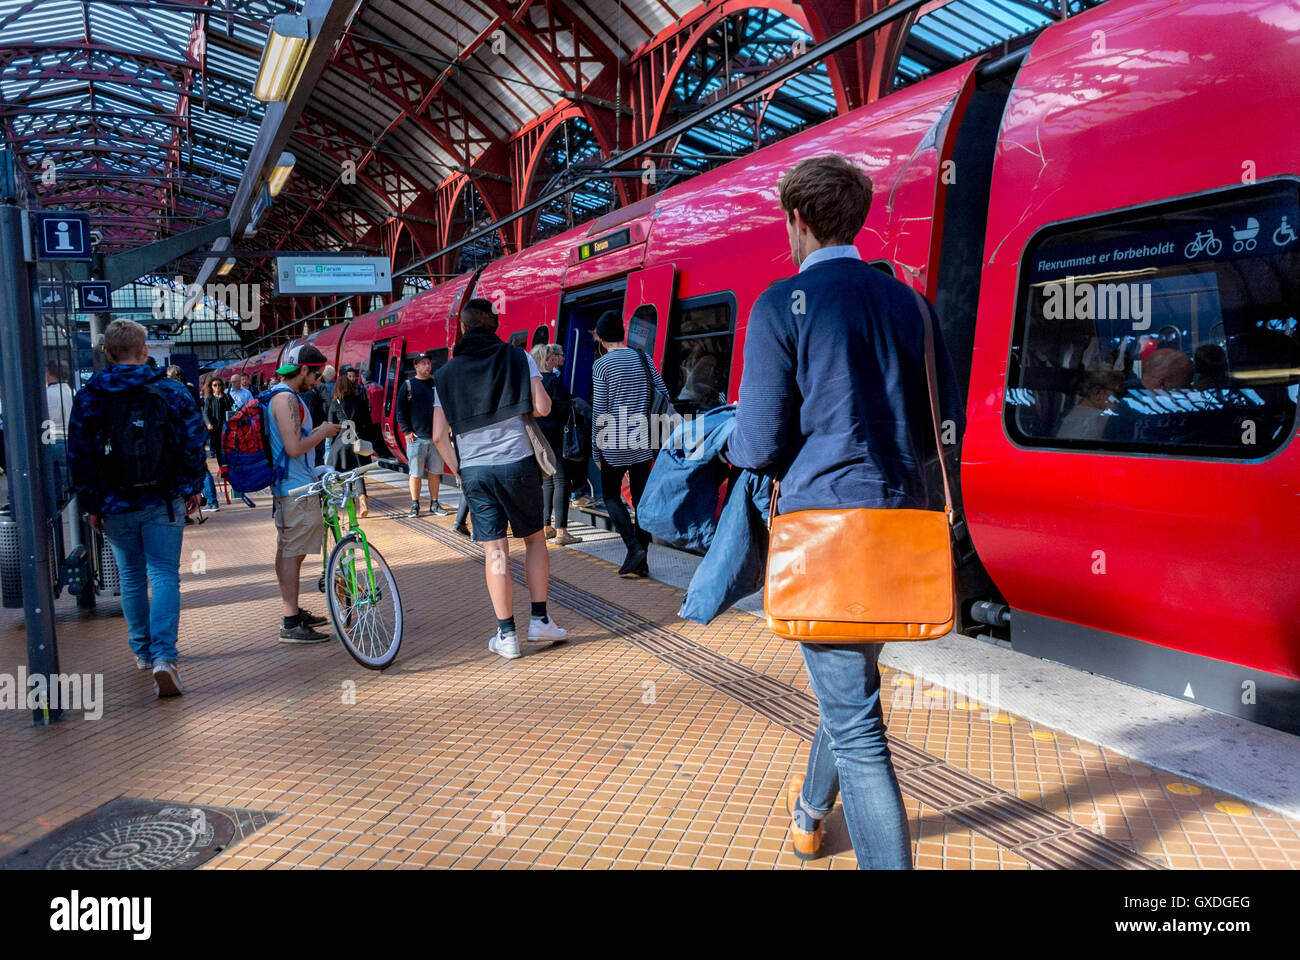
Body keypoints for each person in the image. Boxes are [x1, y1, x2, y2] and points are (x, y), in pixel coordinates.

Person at [725, 154, 963, 869]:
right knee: (852, 689)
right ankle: (807, 820)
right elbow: (942, 423)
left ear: (797, 220)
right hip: (897, 528)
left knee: (859, 729)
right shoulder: (909, 304)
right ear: (857, 218)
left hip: (824, 535)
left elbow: (759, 444)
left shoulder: (780, 305)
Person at [66, 319, 207, 698]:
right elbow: (195, 441)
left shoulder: (90, 396)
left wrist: (92, 504)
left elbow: (79, 456)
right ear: (144, 351)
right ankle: (164, 657)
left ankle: (143, 653)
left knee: (131, 577)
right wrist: (192, 486)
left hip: (114, 502)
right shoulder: (170, 390)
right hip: (163, 498)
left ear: (108, 353)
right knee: (163, 575)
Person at [430, 298, 567, 660]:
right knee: (535, 541)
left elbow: (439, 436)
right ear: (494, 324)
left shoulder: (443, 375)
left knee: (495, 550)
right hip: (517, 464)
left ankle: (506, 635)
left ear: (462, 328)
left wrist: (461, 470)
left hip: (475, 470)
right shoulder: (517, 357)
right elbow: (542, 408)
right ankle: (539, 620)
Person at [267, 344, 343, 643]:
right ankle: (290, 623)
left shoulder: (285, 396)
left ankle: (294, 611)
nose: (318, 381)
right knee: (292, 554)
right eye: (314, 374)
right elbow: (294, 447)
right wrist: (322, 432)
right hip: (294, 490)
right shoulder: (285, 399)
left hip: (293, 486)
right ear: (302, 370)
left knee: (289, 552)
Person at [590, 311, 670, 577]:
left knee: (611, 495)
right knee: (640, 499)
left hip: (613, 439)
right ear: (622, 335)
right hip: (643, 438)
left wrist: (595, 448)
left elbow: (600, 410)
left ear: (601, 337)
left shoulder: (601, 365)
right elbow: (664, 394)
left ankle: (634, 548)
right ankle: (643, 562)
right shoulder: (643, 357)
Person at [531, 344, 582, 546]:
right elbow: (563, 408)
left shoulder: (533, 383)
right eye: (551, 358)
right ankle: (562, 530)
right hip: (556, 439)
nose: (554, 361)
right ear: (543, 361)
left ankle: (546, 526)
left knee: (548, 482)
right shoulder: (552, 381)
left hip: (540, 439)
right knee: (562, 481)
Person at [395, 349, 448, 517]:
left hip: (436, 438)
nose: (427, 366)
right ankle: (415, 504)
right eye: (423, 363)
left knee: (435, 472)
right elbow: (400, 411)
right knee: (415, 473)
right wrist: (406, 431)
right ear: (416, 366)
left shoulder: (436, 383)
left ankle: (434, 503)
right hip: (416, 438)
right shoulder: (408, 385)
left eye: (429, 363)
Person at [327, 365, 373, 517]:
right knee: (358, 473)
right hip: (357, 442)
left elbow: (331, 426)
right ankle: (362, 500)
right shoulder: (360, 400)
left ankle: (351, 504)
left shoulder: (335, 403)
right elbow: (368, 422)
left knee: (346, 474)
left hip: (342, 442)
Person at [200, 376, 233, 511]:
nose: (217, 387)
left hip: (227, 432)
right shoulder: (209, 400)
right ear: (211, 386)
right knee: (220, 455)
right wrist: (208, 424)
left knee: (228, 456)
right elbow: (205, 413)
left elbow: (233, 410)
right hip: (215, 432)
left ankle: (231, 481)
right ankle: (225, 476)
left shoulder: (226, 398)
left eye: (219, 385)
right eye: (215, 385)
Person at [44, 359, 74, 504]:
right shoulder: (73, 393)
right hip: (71, 442)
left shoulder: (45, 394)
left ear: (49, 374)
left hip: (51, 441)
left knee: (53, 483)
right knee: (71, 481)